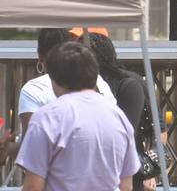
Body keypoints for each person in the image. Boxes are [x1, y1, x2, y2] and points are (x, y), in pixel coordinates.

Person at [15, 42, 140, 191]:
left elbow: (33, 187)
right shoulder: (119, 118)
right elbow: (126, 186)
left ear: (54, 79)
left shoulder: (46, 118)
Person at [89, 33, 163, 191]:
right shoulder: (134, 82)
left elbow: (157, 130)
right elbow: (160, 130)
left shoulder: (129, 84)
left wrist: (149, 172)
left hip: (127, 171)